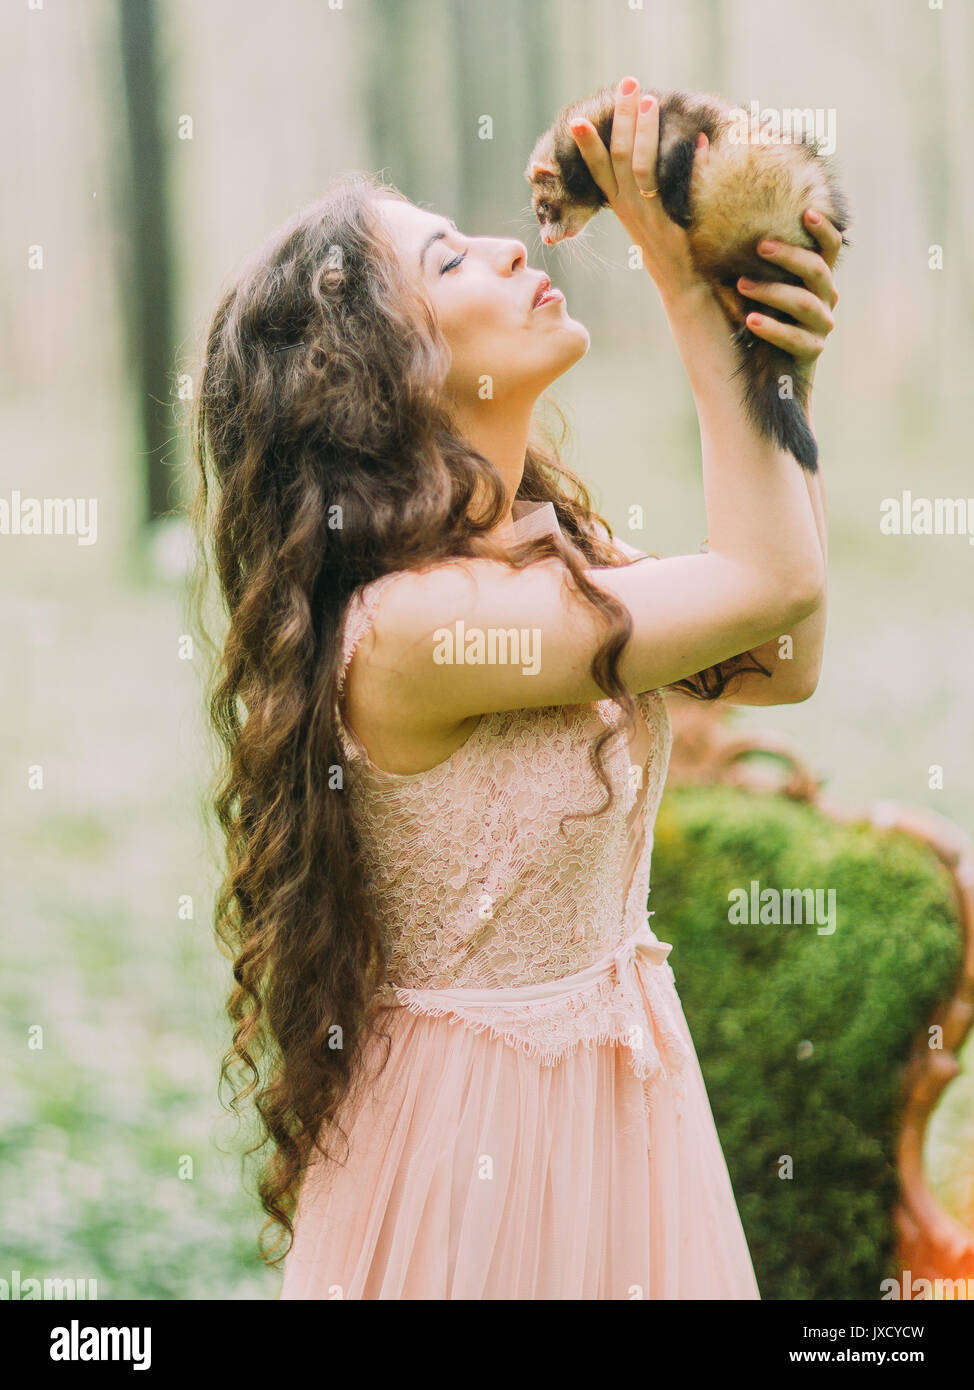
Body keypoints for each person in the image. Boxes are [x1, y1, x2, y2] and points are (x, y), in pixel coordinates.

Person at [193, 76, 839, 1299]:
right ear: (373, 377)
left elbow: (781, 657)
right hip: (477, 1163)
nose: (500, 244)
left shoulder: (550, 559)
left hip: (625, 1117)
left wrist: (774, 372)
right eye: (445, 262)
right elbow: (766, 583)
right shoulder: (409, 628)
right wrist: (689, 288)